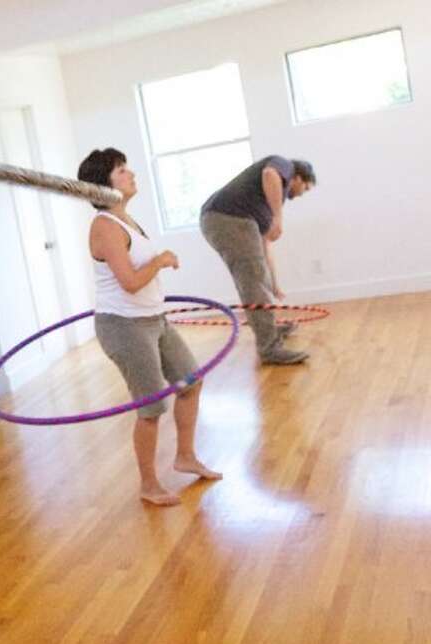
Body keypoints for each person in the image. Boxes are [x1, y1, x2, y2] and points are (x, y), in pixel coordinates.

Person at [77, 148, 221, 507]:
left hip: (154, 319)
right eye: (122, 171)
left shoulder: (126, 219)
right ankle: (148, 484)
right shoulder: (105, 227)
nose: (131, 174)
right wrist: (160, 260)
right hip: (123, 327)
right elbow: (129, 281)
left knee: (191, 380)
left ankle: (185, 456)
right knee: (152, 406)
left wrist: (157, 262)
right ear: (102, 186)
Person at [199, 155, 316, 365]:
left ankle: (269, 331)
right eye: (306, 188)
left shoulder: (266, 200)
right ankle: (269, 347)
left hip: (226, 220)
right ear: (298, 178)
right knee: (253, 281)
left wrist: (275, 283)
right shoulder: (283, 166)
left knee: (257, 278)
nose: (301, 194)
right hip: (229, 219)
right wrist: (279, 218)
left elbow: (265, 246)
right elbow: (269, 173)